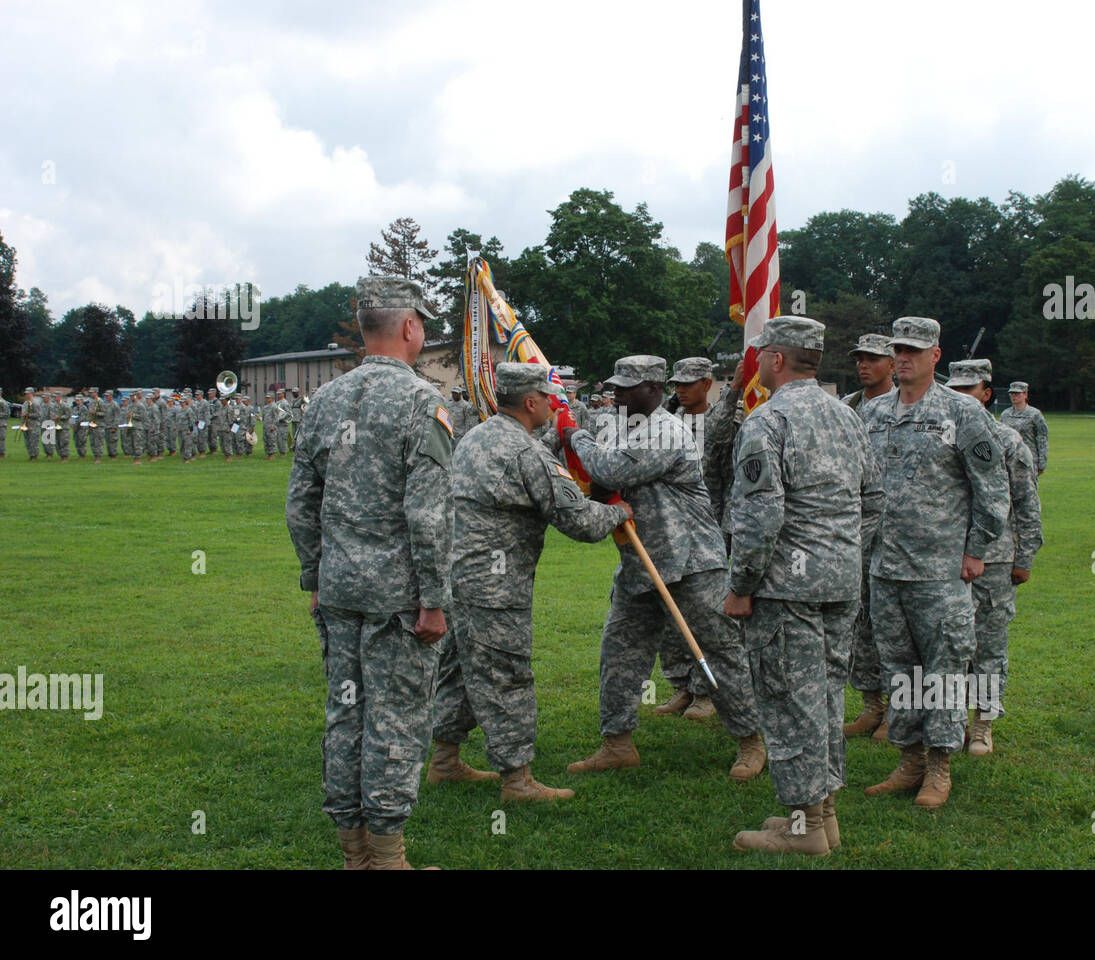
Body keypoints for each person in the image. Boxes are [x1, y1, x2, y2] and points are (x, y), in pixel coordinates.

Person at [285, 276, 454, 870]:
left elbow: (300, 502)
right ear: (410, 327)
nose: (425, 333)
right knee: (396, 718)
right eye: (424, 324)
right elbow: (427, 512)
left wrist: (315, 578)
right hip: (399, 599)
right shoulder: (422, 403)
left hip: (341, 592)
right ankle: (386, 859)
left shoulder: (325, 400)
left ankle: (354, 855)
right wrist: (434, 599)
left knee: (346, 712)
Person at [429, 363, 631, 802]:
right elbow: (578, 521)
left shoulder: (476, 437)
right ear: (532, 402)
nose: (555, 403)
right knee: (506, 674)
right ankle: (516, 780)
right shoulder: (525, 453)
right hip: (496, 589)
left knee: (460, 671)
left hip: (457, 580)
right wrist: (620, 512)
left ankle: (444, 761)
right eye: (549, 396)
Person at [562, 355, 767, 785]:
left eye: (627, 387)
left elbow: (609, 469)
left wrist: (572, 433)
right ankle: (617, 742)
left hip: (692, 563)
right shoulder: (622, 425)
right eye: (615, 386)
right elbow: (600, 480)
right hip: (641, 565)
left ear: (655, 389)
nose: (616, 393)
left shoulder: (665, 430)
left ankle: (751, 740)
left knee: (720, 652)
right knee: (620, 651)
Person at [722, 317, 882, 857]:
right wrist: (842, 553)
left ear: (773, 360)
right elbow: (874, 498)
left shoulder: (768, 421)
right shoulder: (848, 416)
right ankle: (823, 814)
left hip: (786, 589)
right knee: (826, 697)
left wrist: (742, 583)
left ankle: (805, 828)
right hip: (841, 581)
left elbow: (760, 515)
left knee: (791, 701)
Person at [859, 317, 1009, 810]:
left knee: (943, 669)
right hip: (885, 568)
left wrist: (976, 550)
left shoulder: (963, 412)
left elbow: (993, 488)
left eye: (914, 350)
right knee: (901, 668)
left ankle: (940, 766)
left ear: (935, 356)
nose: (903, 357)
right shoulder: (873, 412)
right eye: (898, 349)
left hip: (941, 569)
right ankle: (910, 760)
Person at [945, 360, 1042, 757]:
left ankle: (982, 722)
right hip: (946, 556)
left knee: (988, 642)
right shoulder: (942, 437)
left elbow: (1027, 502)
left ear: (987, 394)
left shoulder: (1008, 441)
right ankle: (950, 720)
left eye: (971, 390)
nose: (962, 397)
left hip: (996, 558)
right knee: (950, 642)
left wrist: (1026, 555)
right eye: (956, 390)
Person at [653, 356, 729, 720]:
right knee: (670, 616)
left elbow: (731, 479)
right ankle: (682, 685)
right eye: (676, 384)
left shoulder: (722, 421)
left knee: (706, 618)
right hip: (668, 531)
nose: (680, 389)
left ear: (707, 384)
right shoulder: (666, 423)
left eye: (688, 383)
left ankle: (706, 692)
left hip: (707, 533)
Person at [840, 333, 897, 741]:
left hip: (897, 533)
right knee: (860, 623)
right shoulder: (846, 410)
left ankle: (899, 706)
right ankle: (871, 703)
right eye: (860, 358)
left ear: (893, 364)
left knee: (895, 625)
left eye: (873, 359)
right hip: (853, 530)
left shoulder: (905, 407)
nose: (864, 365)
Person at [1000, 381, 1049, 477]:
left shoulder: (1034, 414)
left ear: (1025, 394)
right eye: (1012, 393)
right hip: (1009, 459)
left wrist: (1042, 463)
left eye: (1017, 393)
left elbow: (1042, 438)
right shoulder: (1005, 414)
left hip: (1028, 460)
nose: (1014, 396)